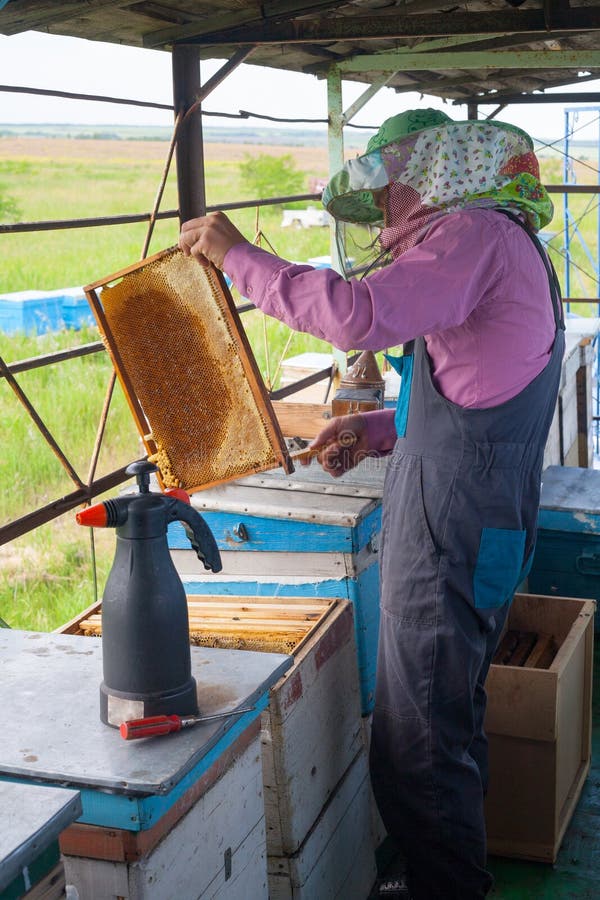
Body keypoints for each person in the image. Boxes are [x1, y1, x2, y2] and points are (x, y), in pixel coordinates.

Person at [179, 108, 564, 900]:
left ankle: (446, 887)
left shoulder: (475, 238)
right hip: (482, 521)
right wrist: (380, 427)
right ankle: (448, 873)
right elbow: (479, 387)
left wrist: (236, 254)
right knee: (447, 717)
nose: (386, 214)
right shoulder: (510, 247)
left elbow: (356, 315)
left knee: (418, 738)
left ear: (433, 177)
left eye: (391, 194)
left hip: (450, 529)